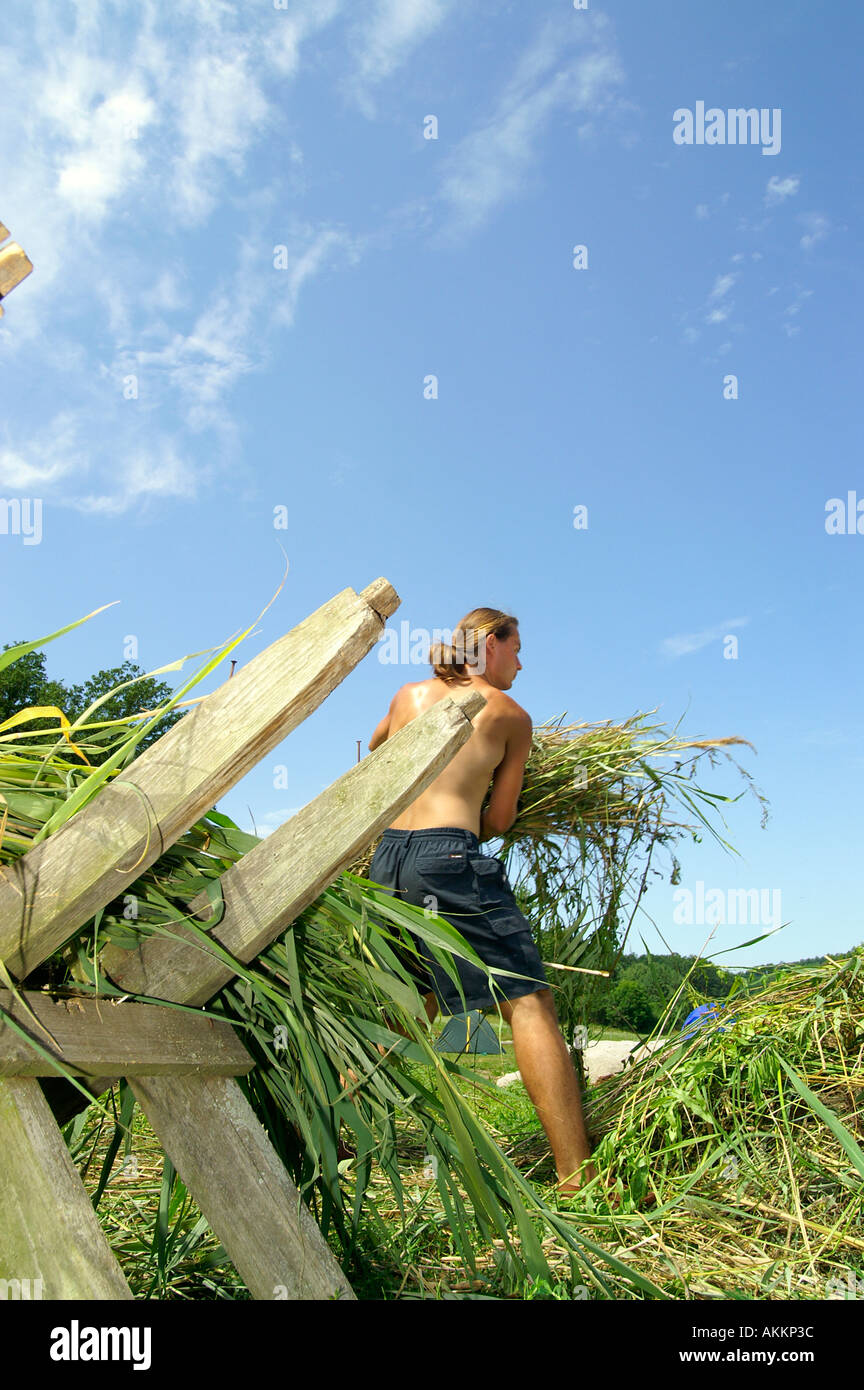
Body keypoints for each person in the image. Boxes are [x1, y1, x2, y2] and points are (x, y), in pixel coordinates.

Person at [366, 607, 597, 1196]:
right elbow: (497, 819)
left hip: (387, 862)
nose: (521, 661)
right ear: (490, 643)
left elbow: (369, 771)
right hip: (449, 858)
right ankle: (579, 1179)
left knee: (406, 1008)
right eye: (517, 648)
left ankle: (342, 1136)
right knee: (529, 1001)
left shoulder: (406, 696)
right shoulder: (511, 714)